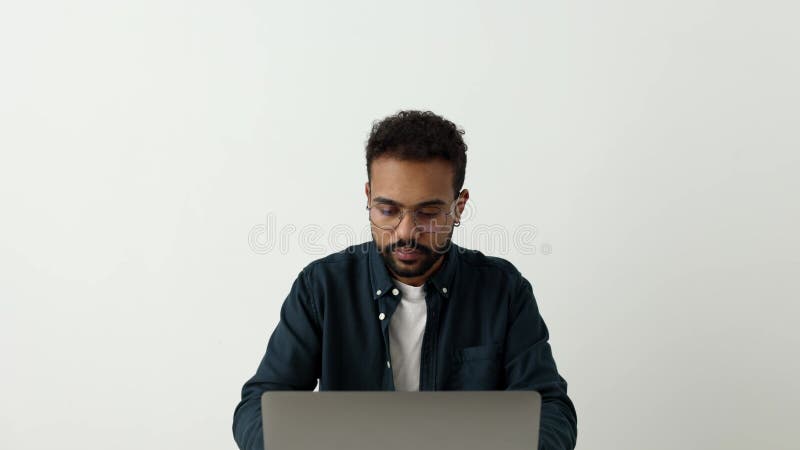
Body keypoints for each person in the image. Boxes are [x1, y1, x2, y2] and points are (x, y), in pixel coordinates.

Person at [232, 110, 578, 450]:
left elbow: (550, 408)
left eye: (427, 213)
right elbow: (258, 407)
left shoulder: (504, 291)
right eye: (388, 210)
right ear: (368, 198)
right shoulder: (320, 288)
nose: (406, 231)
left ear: (459, 207)